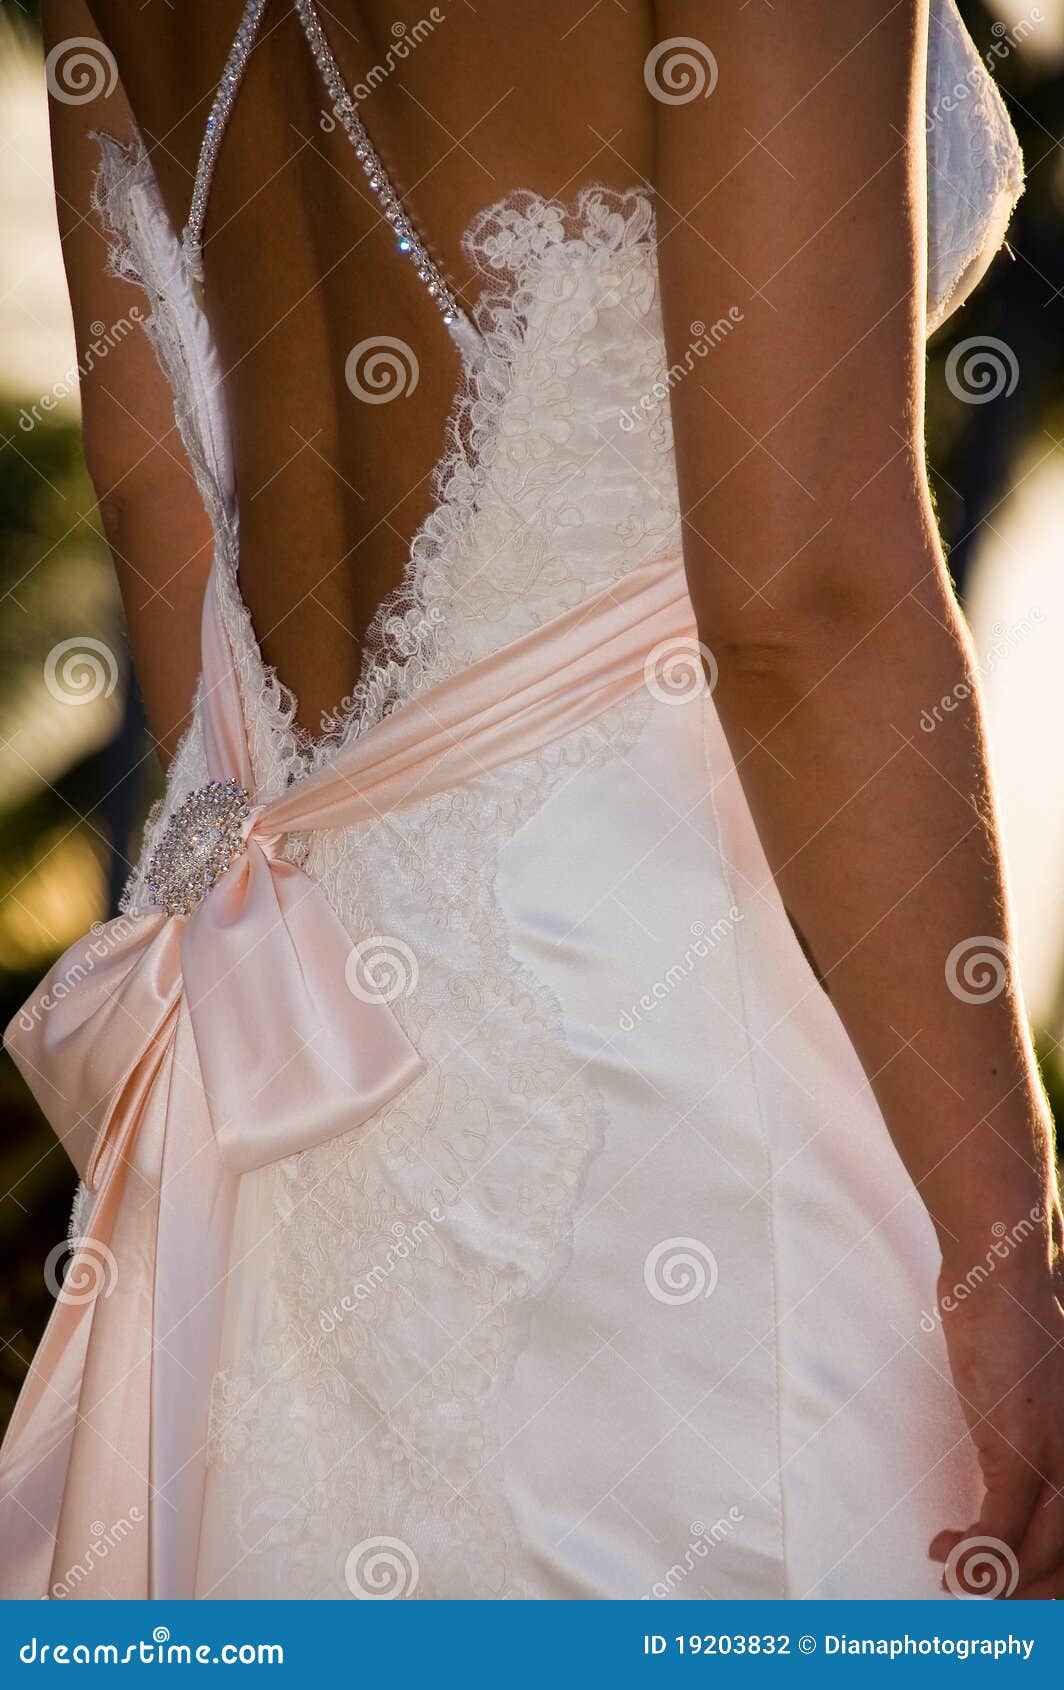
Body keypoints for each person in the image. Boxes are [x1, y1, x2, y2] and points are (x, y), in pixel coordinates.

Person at [2, 0, 1061, 1601]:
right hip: (672, 1061)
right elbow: (802, 594)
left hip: (286, 1088)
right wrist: (1006, 1244)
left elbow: (170, 511)